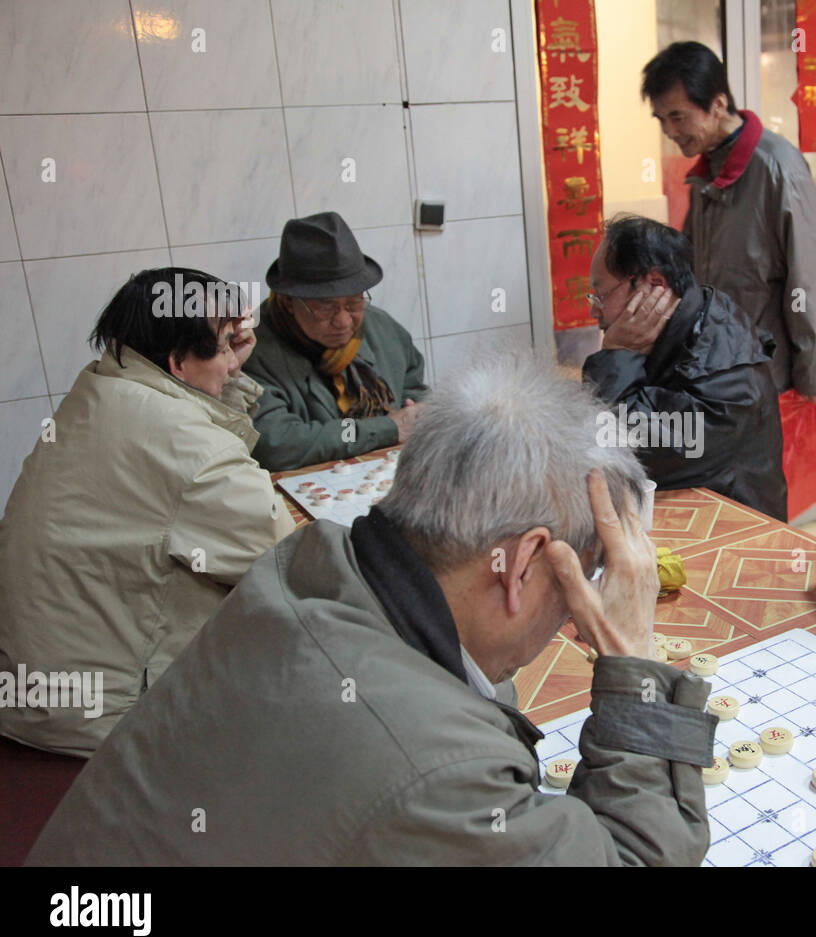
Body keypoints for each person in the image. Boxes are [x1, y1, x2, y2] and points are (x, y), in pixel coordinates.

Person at [27, 355, 716, 865]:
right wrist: (635, 666)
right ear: (525, 565)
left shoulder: (301, 570)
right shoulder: (442, 778)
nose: (581, 609)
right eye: (588, 574)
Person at [0, 268, 295, 757]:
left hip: (35, 696)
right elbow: (279, 553)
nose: (233, 358)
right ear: (178, 361)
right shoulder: (184, 443)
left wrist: (230, 368)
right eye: (225, 344)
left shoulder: (100, 391)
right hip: (105, 719)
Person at [641, 41, 816, 400]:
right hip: (720, 377)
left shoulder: (778, 169)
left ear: (718, 105)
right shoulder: (706, 174)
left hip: (771, 385)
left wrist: (814, 386)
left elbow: (813, 287)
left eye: (678, 116)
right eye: (662, 120)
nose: (670, 132)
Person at [582, 215, 787, 519]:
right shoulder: (672, 329)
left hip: (732, 538)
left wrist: (618, 355)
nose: (593, 309)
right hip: (681, 519)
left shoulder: (728, 378)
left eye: (601, 295)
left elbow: (620, 446)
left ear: (653, 285)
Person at [242, 211, 429, 471]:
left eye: (353, 301)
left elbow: (413, 388)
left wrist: (418, 410)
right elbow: (278, 445)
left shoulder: (382, 328)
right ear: (287, 303)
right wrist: (387, 429)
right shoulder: (250, 349)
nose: (343, 321)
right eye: (325, 307)